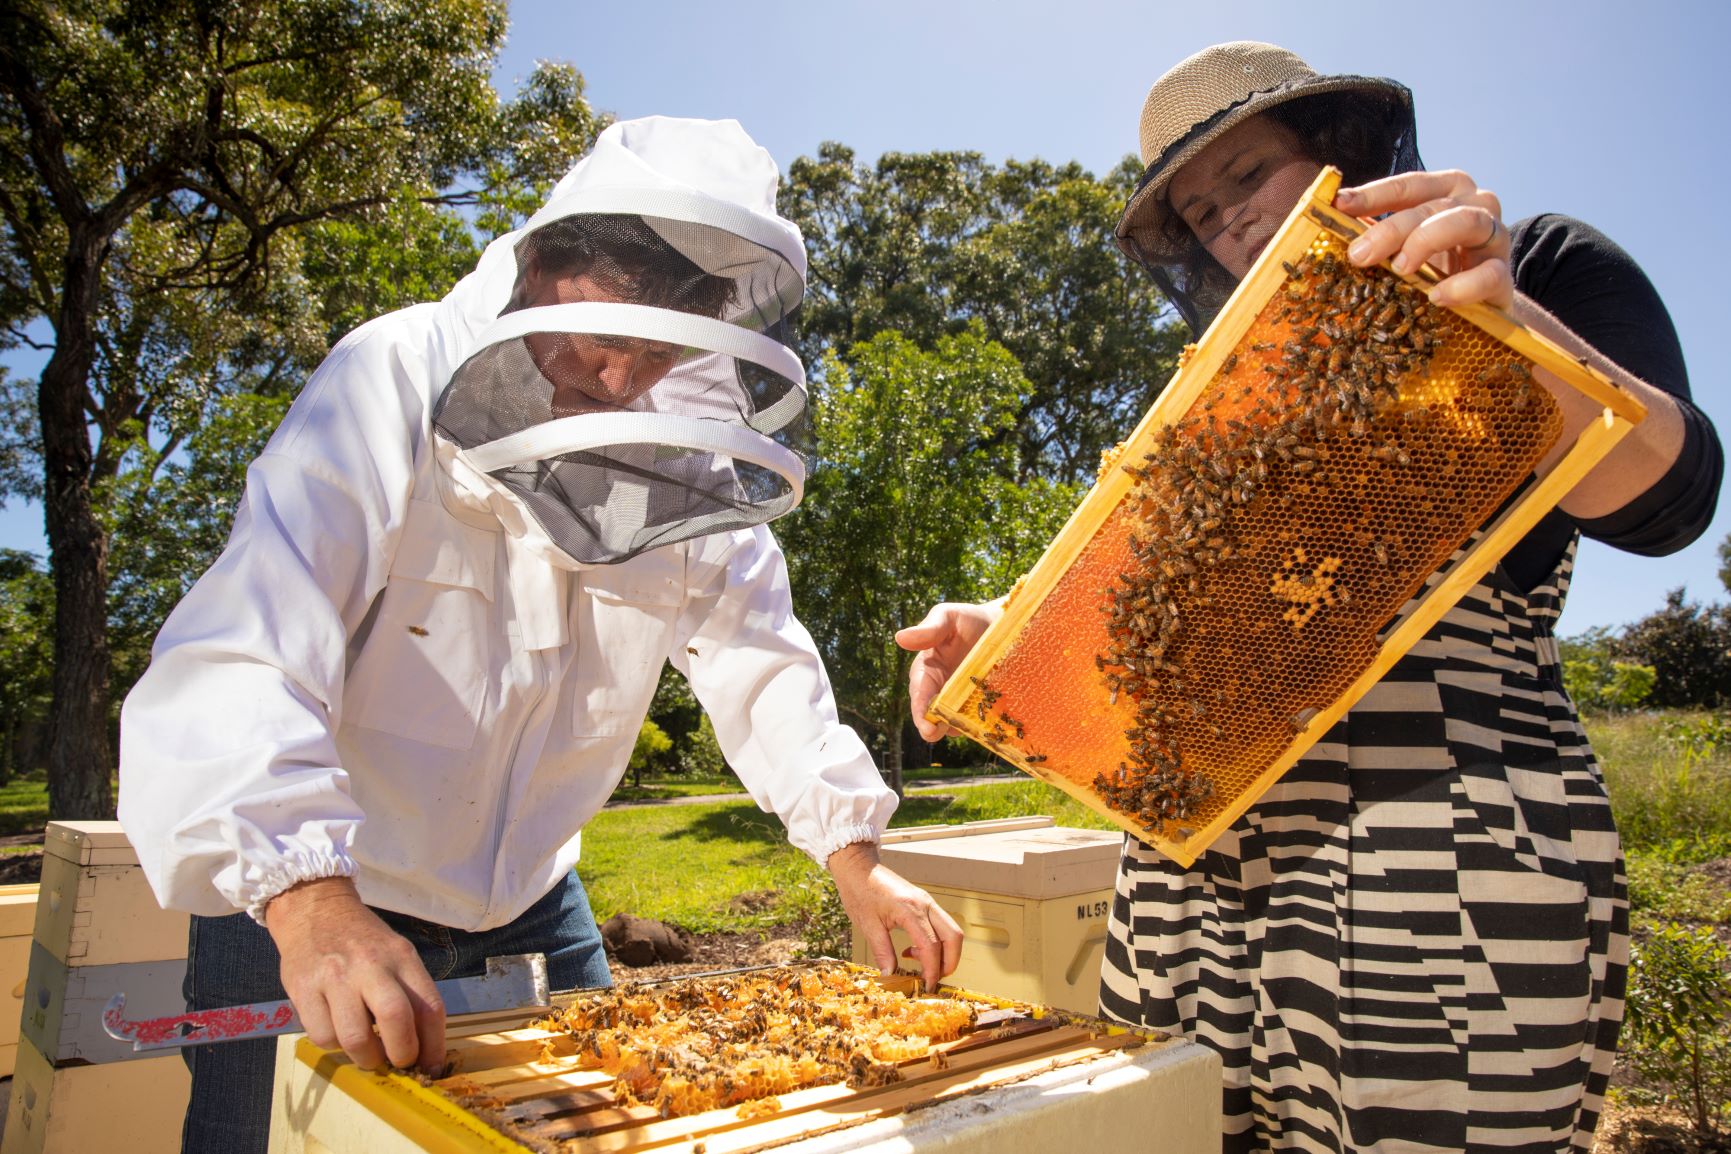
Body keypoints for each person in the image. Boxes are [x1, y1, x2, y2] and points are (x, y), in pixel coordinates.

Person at [897, 42, 1720, 1154]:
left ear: (1336, 151)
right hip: (1190, 884)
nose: (1226, 219)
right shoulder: (1216, 393)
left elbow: (1669, 495)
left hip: (1437, 840)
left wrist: (1508, 327)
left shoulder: (1538, 266)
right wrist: (1019, 634)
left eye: (1249, 175)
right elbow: (1169, 613)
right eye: (1198, 207)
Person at [117, 116, 963, 1154]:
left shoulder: (681, 471)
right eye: (603, 332)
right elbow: (247, 642)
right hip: (318, 890)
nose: (615, 379)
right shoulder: (391, 374)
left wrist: (854, 854)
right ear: (547, 259)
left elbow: (759, 655)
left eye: (653, 353)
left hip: (531, 899)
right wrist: (307, 903)